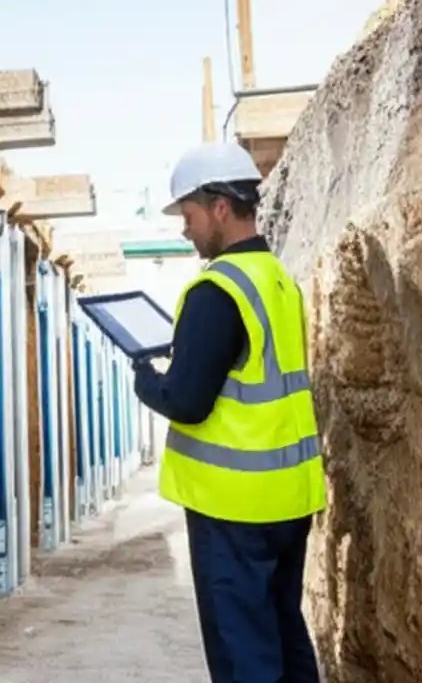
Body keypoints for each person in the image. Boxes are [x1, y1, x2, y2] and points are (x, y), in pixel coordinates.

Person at [133, 142, 327, 682]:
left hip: (234, 507)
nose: (185, 230)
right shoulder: (277, 280)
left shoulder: (217, 290)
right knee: (285, 636)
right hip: (288, 498)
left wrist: (147, 381)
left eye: (189, 215)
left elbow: (187, 402)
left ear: (220, 207)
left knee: (243, 653)